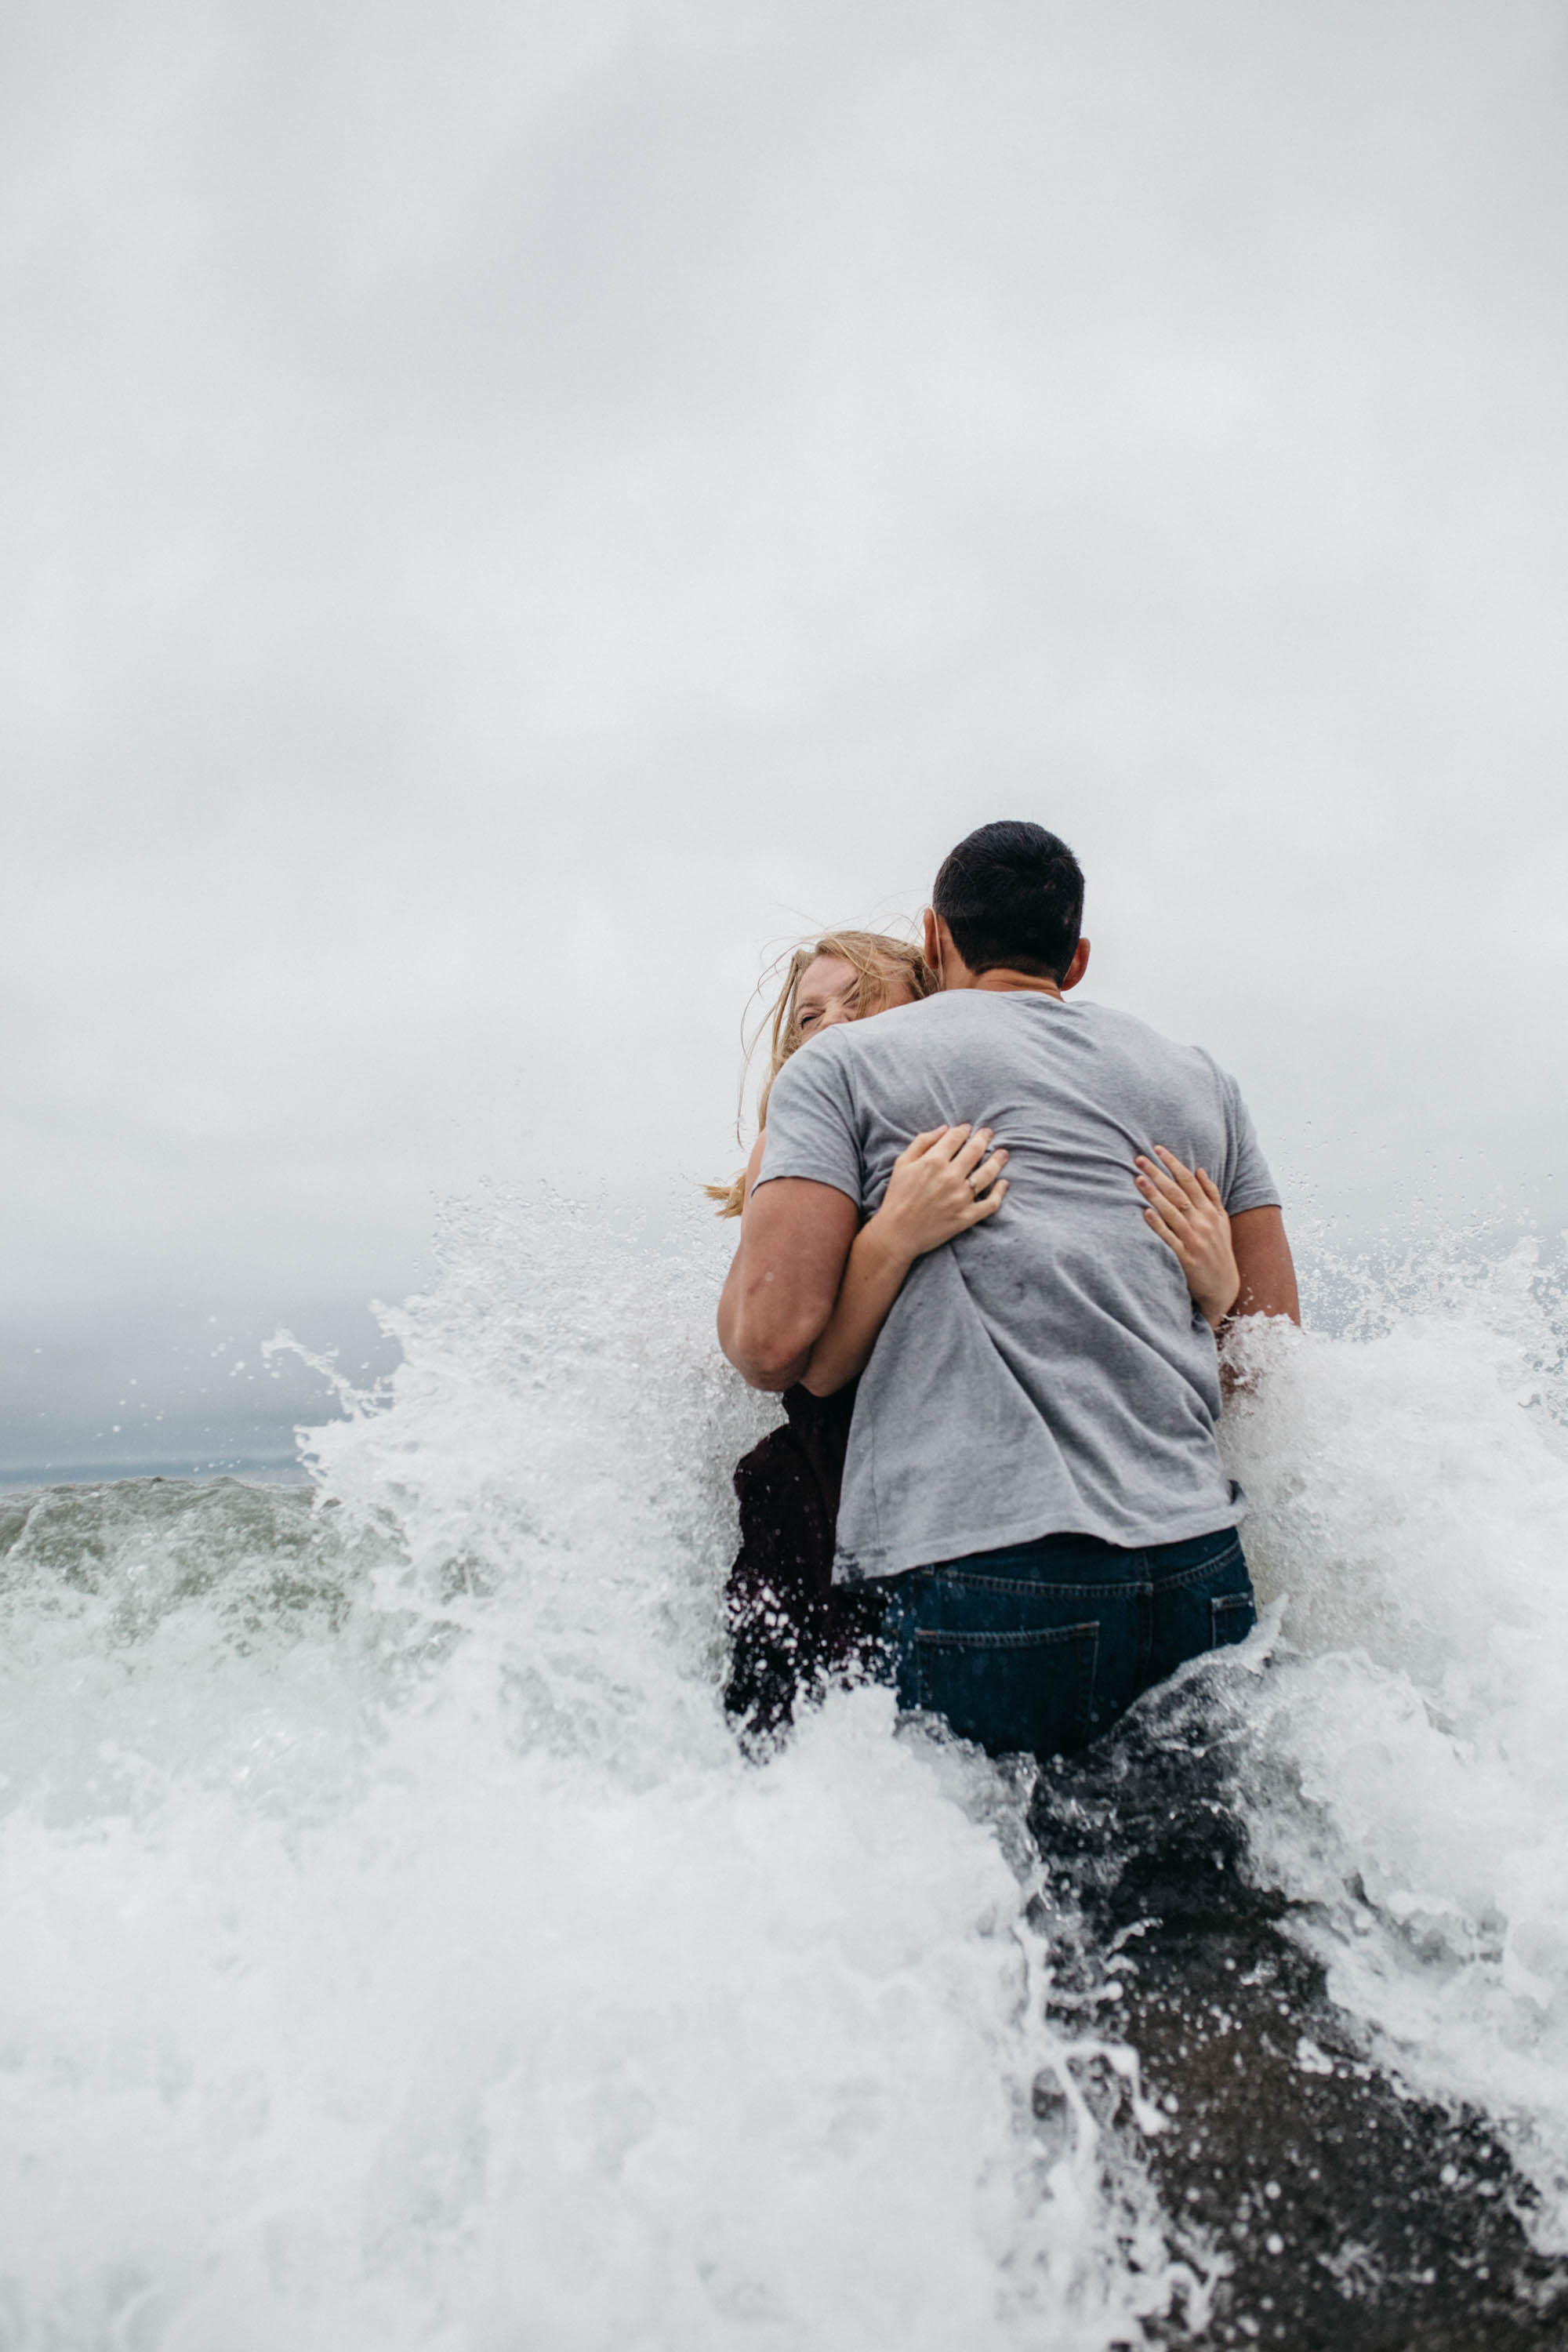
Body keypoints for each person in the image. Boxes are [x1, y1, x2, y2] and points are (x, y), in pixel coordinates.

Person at [718, 821, 1299, 1766]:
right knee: (1211, 1901)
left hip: (986, 1563)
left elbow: (770, 1345)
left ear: (934, 940)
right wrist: (1218, 1290)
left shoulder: (844, 1076)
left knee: (993, 1901)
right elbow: (1270, 1357)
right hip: (1198, 1553)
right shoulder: (1201, 1080)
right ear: (1073, 960)